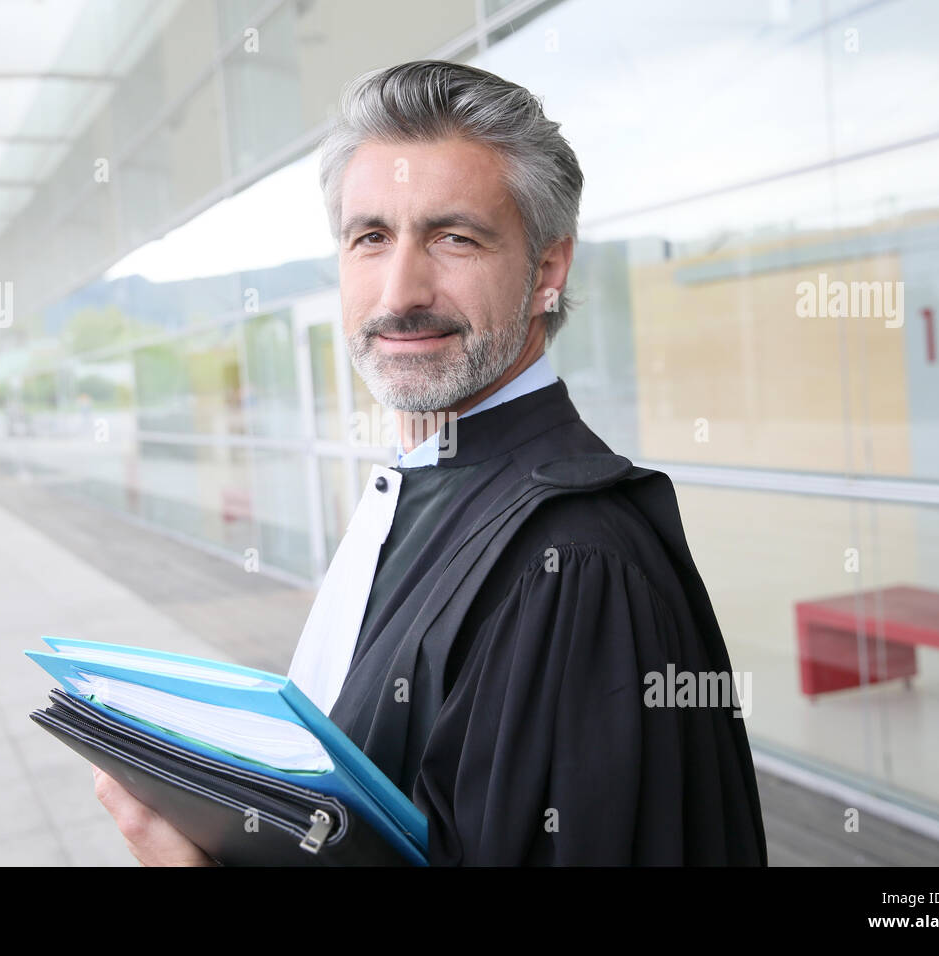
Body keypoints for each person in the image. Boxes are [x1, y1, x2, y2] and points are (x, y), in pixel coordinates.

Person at [95, 59, 768, 866]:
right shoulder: (419, 488)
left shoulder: (573, 564)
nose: (400, 291)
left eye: (454, 237)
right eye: (370, 238)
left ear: (548, 271)